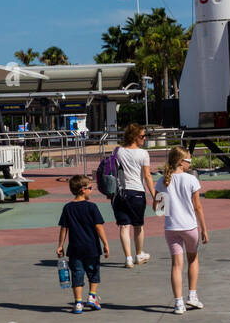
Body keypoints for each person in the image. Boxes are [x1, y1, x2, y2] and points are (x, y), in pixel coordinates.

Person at [154, 145, 208, 313]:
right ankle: (192, 296)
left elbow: (157, 209)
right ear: (181, 162)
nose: (190, 164)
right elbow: (197, 207)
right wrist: (204, 229)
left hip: (171, 227)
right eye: (188, 160)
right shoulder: (191, 180)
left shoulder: (162, 181)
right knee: (193, 259)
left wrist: (167, 204)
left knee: (176, 265)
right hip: (189, 226)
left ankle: (178, 303)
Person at [56, 174, 110, 313]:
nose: (92, 190)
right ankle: (92, 296)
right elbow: (99, 227)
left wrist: (60, 245)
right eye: (90, 188)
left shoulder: (68, 208)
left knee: (77, 274)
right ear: (82, 190)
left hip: (74, 249)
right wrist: (105, 243)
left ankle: (78, 303)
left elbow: (64, 228)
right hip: (91, 247)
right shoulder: (92, 207)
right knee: (93, 272)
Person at [111, 123, 156, 267]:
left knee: (124, 227)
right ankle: (139, 254)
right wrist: (154, 195)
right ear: (135, 137)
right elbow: (148, 176)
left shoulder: (118, 152)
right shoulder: (143, 154)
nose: (144, 138)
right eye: (142, 136)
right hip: (137, 192)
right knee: (138, 226)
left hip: (120, 192)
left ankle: (128, 258)